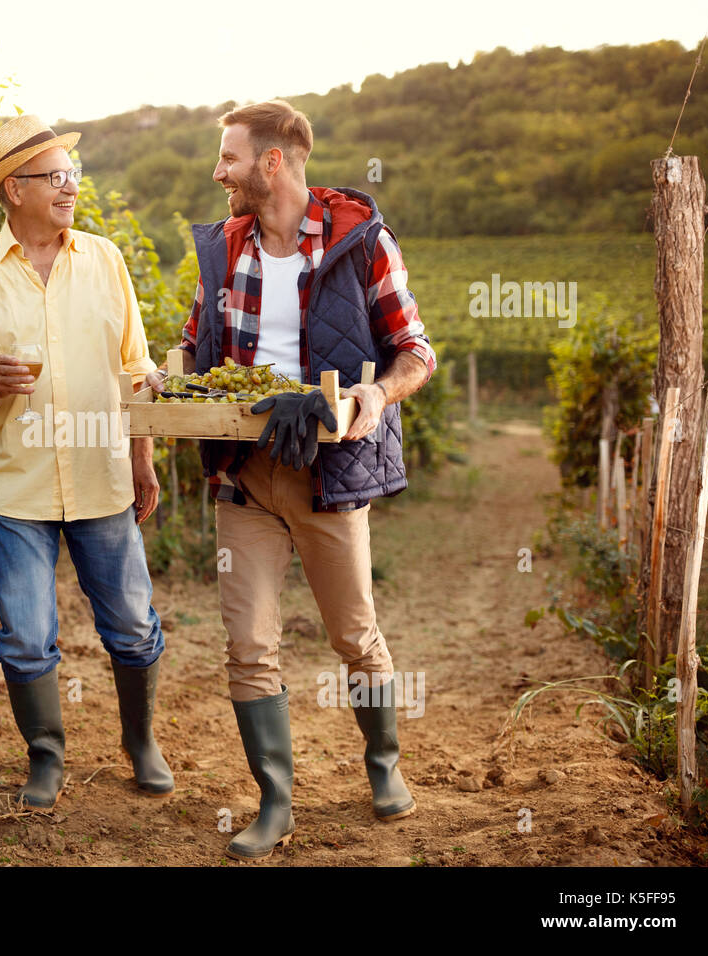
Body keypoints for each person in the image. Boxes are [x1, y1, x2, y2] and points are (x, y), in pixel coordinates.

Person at [149, 100, 437, 859]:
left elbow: (415, 351)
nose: (219, 173)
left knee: (353, 634)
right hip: (244, 476)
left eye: (229, 159)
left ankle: (384, 767)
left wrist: (376, 394)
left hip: (328, 473)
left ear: (272, 163)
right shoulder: (227, 249)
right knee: (249, 645)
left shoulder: (361, 243)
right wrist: (162, 381)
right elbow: (194, 344)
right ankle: (275, 800)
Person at [0, 114, 172, 809]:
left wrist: (142, 460)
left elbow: (135, 368)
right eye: (55, 176)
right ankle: (46, 756)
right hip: (17, 486)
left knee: (130, 622)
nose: (70, 187)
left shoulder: (106, 260)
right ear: (13, 190)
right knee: (27, 637)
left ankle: (141, 742)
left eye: (73, 174)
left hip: (101, 477)